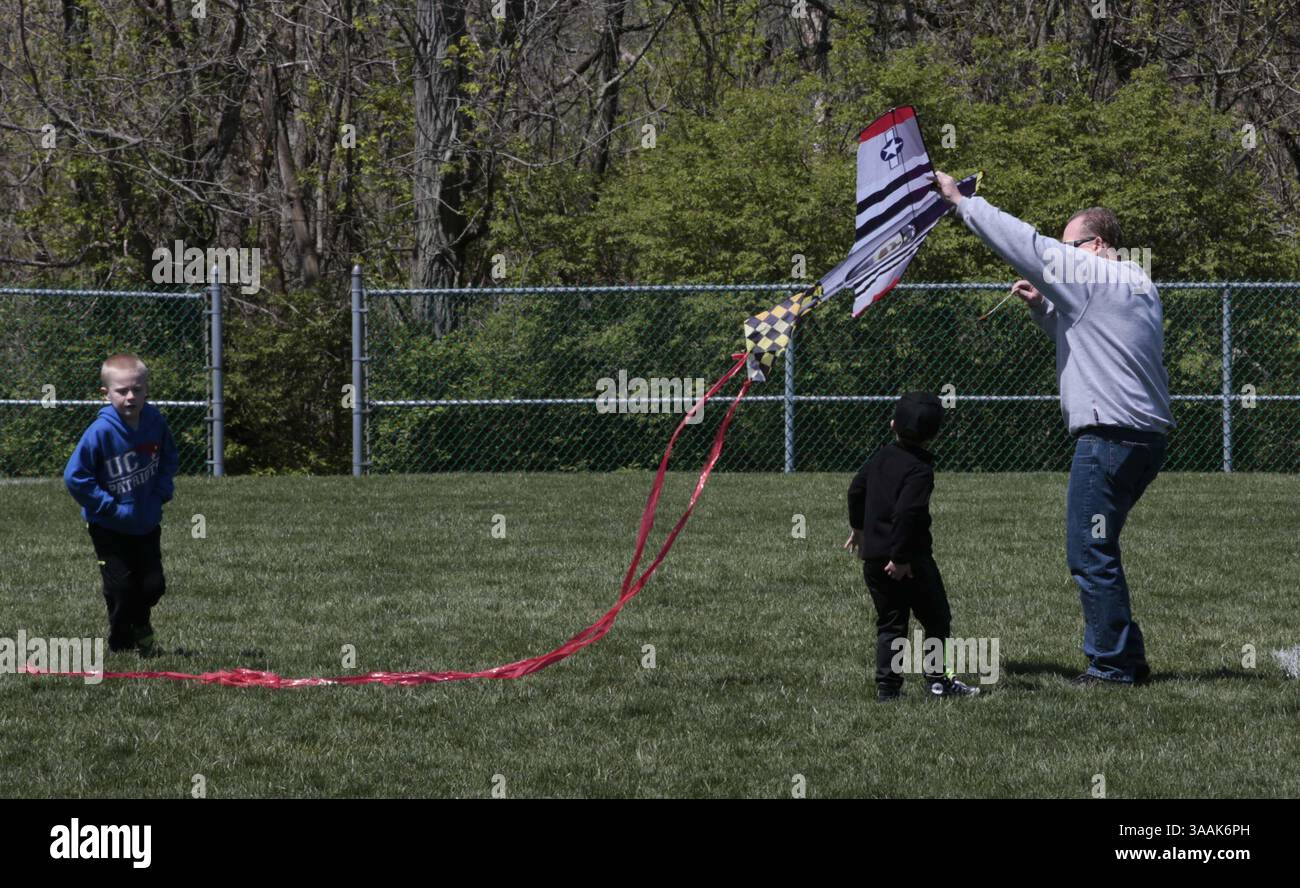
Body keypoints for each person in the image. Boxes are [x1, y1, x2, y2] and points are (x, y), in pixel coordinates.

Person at [934, 170, 1173, 686]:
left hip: (1108, 437)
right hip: (1143, 439)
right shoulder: (1136, 282)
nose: (1065, 255)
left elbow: (1031, 247)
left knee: (1089, 552)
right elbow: (1093, 337)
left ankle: (1110, 667)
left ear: (1098, 244)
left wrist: (963, 203)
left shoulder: (1094, 275)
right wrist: (1045, 309)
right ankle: (1126, 657)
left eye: (1073, 246)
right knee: (1101, 547)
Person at [846, 392, 981, 702]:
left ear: (892, 424)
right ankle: (938, 682)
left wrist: (859, 529)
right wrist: (902, 558)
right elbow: (908, 513)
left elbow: (856, 490)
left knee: (891, 623)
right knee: (936, 617)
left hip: (874, 559)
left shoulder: (880, 457)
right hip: (910, 560)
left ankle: (888, 691)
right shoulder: (920, 469)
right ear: (934, 436)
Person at [64, 353, 179, 655]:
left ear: (146, 389)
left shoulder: (155, 422)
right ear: (106, 394)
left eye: (137, 389)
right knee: (122, 588)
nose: (130, 396)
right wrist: (108, 507)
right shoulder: (100, 432)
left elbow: (169, 457)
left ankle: (139, 620)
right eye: (122, 390)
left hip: (146, 521)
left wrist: (161, 492)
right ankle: (123, 640)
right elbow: (76, 477)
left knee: (153, 586)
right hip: (109, 526)